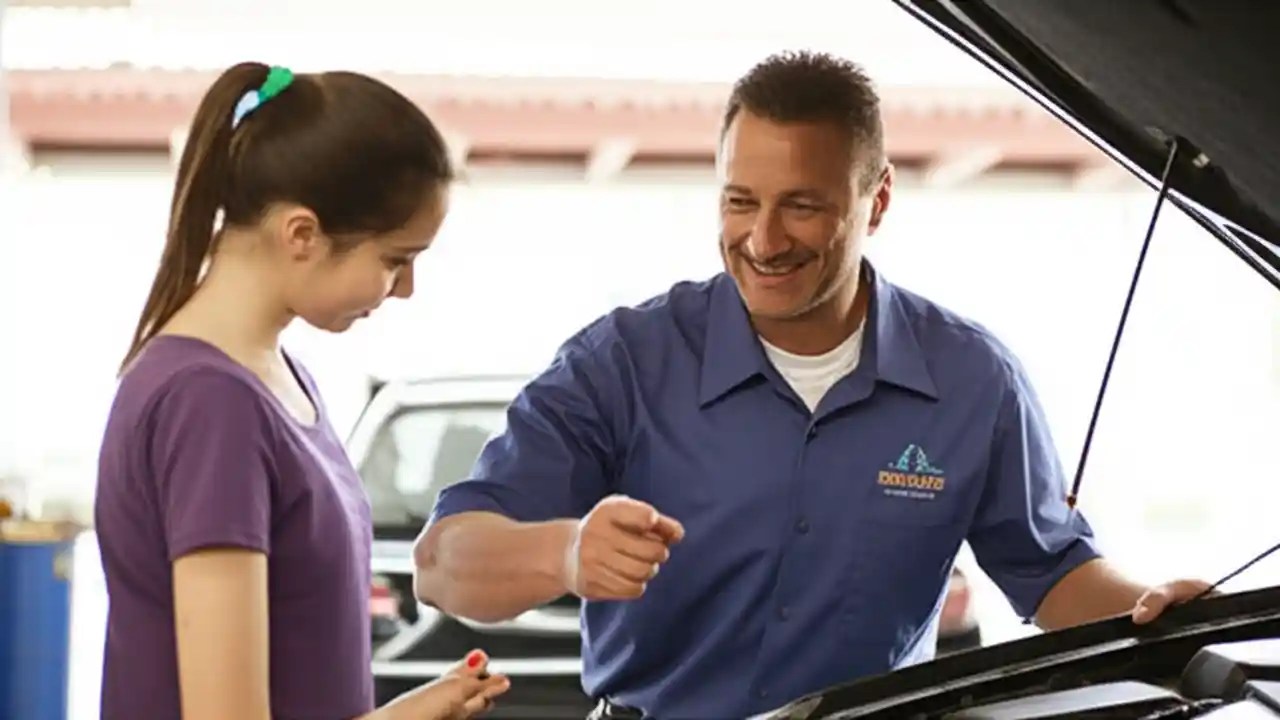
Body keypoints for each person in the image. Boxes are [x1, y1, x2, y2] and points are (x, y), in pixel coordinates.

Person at [410, 50, 1211, 719]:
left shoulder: (975, 381)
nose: (762, 240)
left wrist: (1171, 615)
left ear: (878, 199)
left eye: (801, 207)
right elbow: (443, 565)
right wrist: (569, 550)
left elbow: (1054, 577)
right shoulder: (621, 362)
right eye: (739, 202)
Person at [93, 62, 510, 720]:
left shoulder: (275, 379)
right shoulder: (210, 405)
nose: (404, 288)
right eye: (395, 259)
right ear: (302, 234)